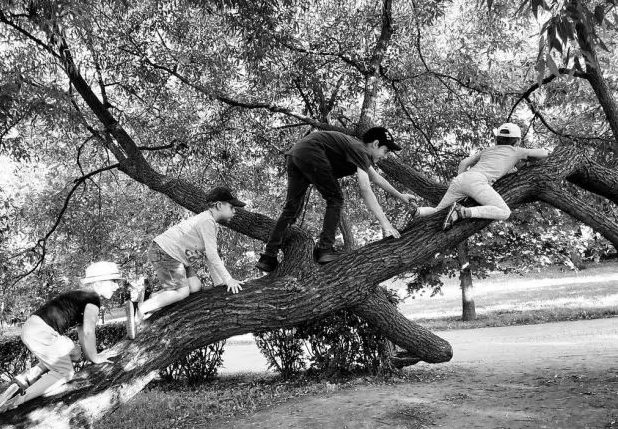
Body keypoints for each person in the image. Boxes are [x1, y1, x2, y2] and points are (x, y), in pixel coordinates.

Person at [255, 127, 417, 272]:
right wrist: (385, 223)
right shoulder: (361, 151)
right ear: (375, 144)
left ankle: (268, 257)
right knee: (335, 198)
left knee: (291, 210)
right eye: (385, 150)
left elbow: (376, 178)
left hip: (295, 155)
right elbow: (365, 188)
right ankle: (325, 249)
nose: (385, 156)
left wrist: (401, 196)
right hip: (311, 152)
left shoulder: (356, 150)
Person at [0, 261, 121, 416]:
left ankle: (28, 377)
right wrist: (96, 358)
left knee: (76, 353)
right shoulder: (93, 299)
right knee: (65, 372)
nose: (117, 286)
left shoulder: (81, 296)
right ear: (99, 283)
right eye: (113, 281)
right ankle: (16, 400)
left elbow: (81, 332)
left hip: (33, 328)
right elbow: (88, 332)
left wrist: (91, 357)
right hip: (42, 332)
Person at [126, 186, 245, 340]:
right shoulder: (207, 221)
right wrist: (228, 280)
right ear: (219, 205)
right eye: (231, 207)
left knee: (195, 287)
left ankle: (151, 296)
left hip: (178, 258)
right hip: (165, 252)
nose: (234, 211)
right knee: (182, 292)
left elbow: (209, 256)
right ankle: (139, 309)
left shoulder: (211, 223)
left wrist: (218, 283)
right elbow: (212, 254)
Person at [412, 122, 549, 230]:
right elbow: (543, 153)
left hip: (461, 179)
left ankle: (416, 211)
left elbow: (464, 162)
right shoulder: (517, 151)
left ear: (497, 140)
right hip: (477, 181)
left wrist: (462, 179)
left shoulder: (488, 150)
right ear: (517, 141)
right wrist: (528, 157)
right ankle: (463, 212)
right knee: (504, 212)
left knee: (438, 211)